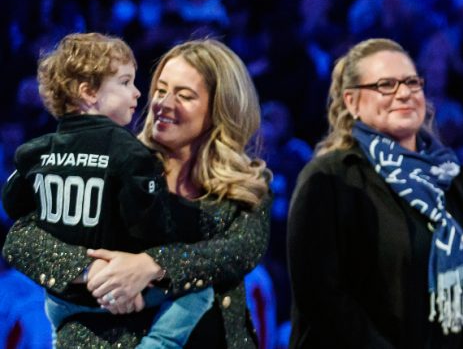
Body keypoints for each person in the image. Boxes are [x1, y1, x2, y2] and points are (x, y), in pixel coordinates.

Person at [2, 39, 271, 347]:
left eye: (183, 96)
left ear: (219, 108)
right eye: (160, 90)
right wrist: (92, 270)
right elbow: (21, 239)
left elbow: (240, 249)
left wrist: (151, 265)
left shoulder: (247, 181)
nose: (162, 103)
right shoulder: (118, 161)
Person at [287, 38, 463, 348]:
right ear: (352, 102)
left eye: (411, 82)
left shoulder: (460, 185)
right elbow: (321, 297)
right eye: (386, 85)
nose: (404, 93)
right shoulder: (330, 179)